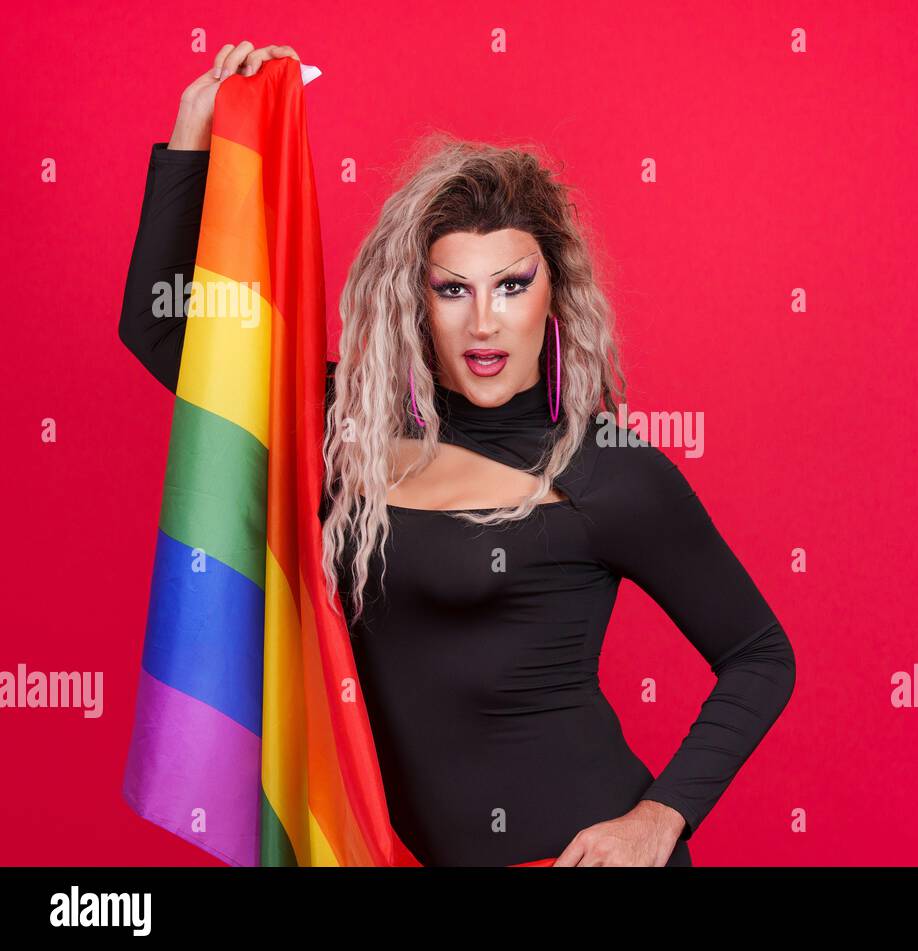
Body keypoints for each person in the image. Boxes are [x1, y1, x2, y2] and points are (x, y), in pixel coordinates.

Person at [119, 41, 796, 867]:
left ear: (555, 296)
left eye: (511, 286)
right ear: (416, 302)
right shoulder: (350, 424)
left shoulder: (606, 472)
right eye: (453, 289)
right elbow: (164, 336)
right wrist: (197, 131)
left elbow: (760, 654)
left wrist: (660, 819)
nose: (484, 322)